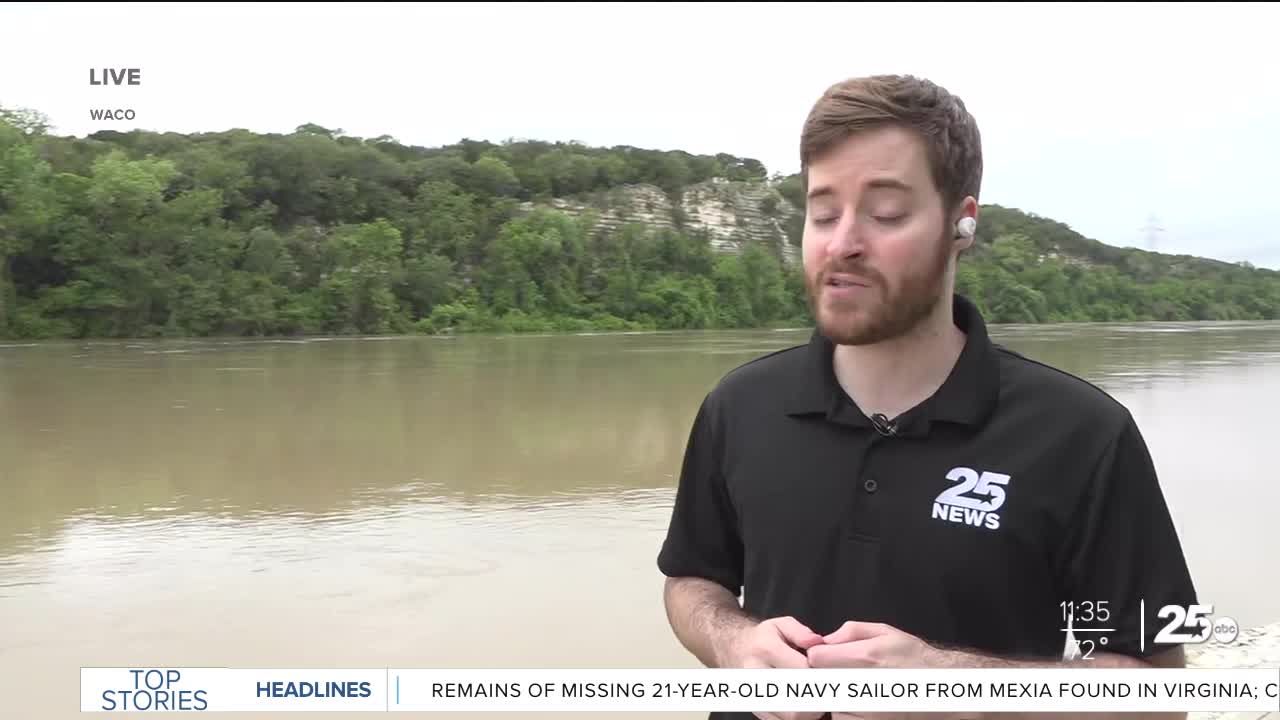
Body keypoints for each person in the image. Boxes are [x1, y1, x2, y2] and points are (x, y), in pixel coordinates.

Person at [656, 74, 1198, 720]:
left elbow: (1158, 688)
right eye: (823, 211)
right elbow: (692, 581)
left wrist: (953, 683)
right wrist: (735, 641)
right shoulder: (739, 406)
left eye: (885, 213)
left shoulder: (1084, 435)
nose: (842, 241)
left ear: (961, 223)